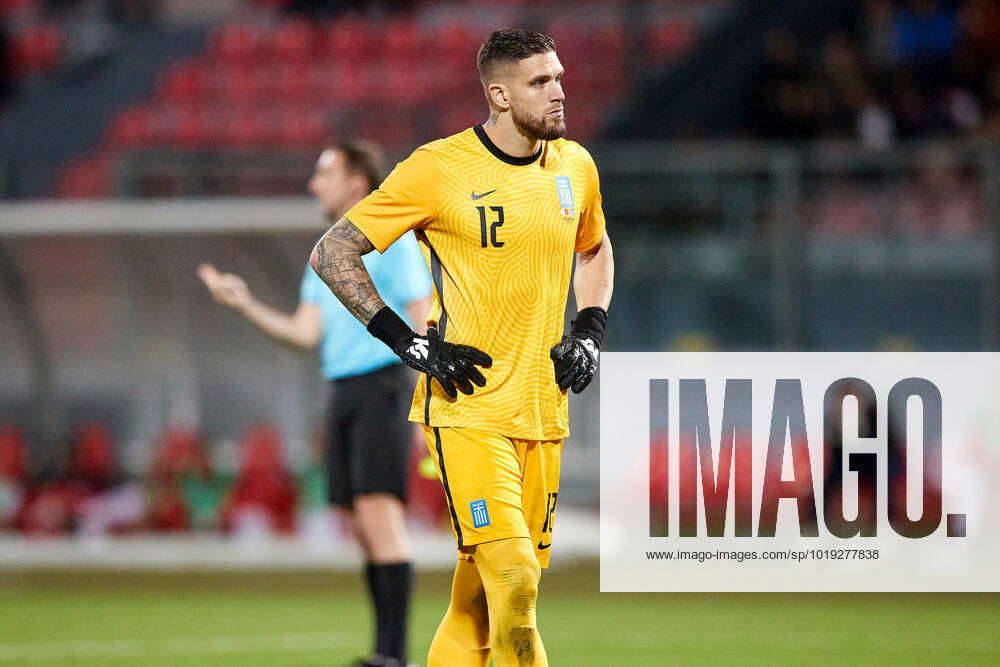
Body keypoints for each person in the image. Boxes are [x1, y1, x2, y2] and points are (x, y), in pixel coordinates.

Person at [308, 28, 614, 667]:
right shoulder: (438, 167)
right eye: (541, 82)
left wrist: (589, 329)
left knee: (477, 602)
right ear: (499, 95)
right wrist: (407, 342)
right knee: (517, 581)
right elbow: (333, 252)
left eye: (559, 77)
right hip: (468, 412)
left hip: (544, 413)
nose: (559, 92)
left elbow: (596, 249)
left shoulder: (575, 168)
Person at [198, 140, 431, 667]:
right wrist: (245, 305)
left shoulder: (390, 239)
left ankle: (393, 656)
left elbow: (423, 313)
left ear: (356, 183)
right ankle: (384, 653)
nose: (312, 184)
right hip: (345, 389)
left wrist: (426, 398)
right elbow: (306, 334)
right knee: (362, 523)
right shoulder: (326, 253)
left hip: (384, 384)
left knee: (380, 516)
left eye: (323, 172)